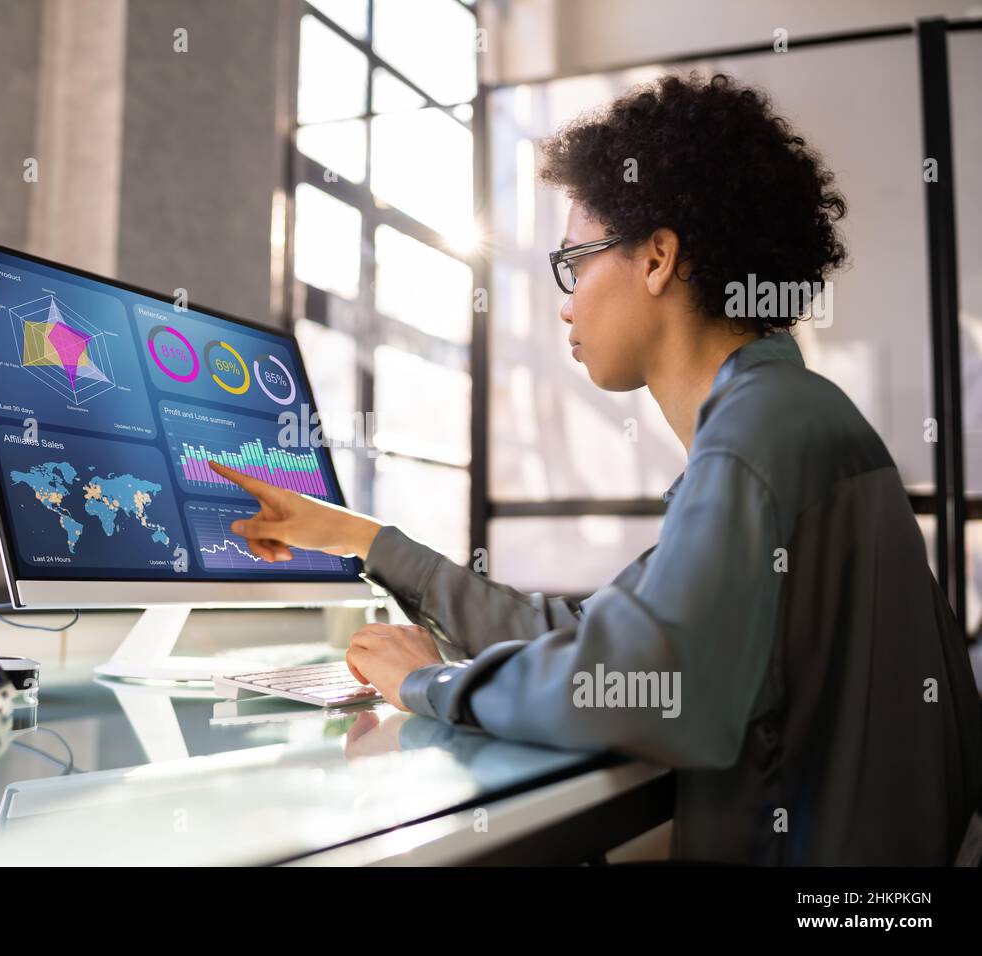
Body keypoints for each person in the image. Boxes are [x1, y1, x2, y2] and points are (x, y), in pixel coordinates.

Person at [211, 72, 981, 866]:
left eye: (576, 261)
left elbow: (652, 684)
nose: (567, 302)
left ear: (657, 260)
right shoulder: (787, 416)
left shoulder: (760, 436)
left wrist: (429, 687)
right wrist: (364, 538)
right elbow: (596, 640)